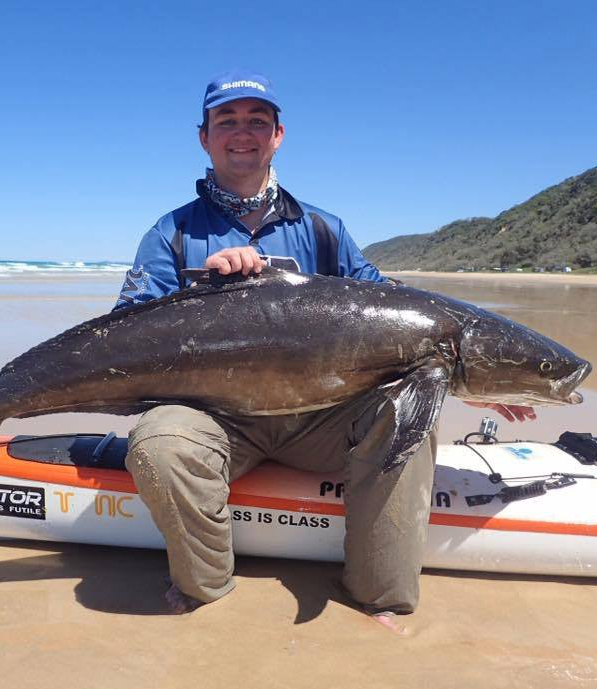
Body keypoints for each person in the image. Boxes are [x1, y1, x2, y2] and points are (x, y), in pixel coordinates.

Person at [114, 71, 533, 624]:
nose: (243, 133)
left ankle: (378, 593)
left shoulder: (322, 230)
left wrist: (471, 375)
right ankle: (204, 583)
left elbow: (397, 315)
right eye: (228, 121)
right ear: (205, 137)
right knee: (159, 443)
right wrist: (200, 294)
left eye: (257, 122)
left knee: (409, 417)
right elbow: (123, 330)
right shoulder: (171, 233)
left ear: (278, 135)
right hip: (218, 420)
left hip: (324, 419)